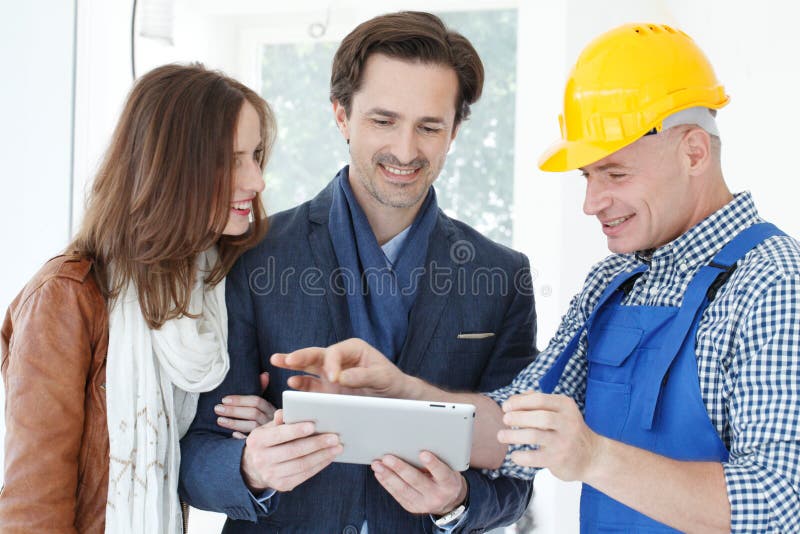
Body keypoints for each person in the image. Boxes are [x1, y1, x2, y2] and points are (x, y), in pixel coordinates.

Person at [274, 22, 800, 533]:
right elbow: (514, 428)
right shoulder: (613, 282)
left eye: (615, 173)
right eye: (587, 176)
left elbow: (779, 508)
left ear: (694, 152)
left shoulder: (772, 283)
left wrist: (594, 457)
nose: (592, 203)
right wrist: (403, 391)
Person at [179, 10, 536, 533]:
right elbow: (192, 456)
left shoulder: (502, 276)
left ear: (454, 131)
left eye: (429, 127)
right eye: (383, 121)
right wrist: (251, 467)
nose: (406, 151)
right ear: (342, 116)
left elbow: (518, 472)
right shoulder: (249, 255)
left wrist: (457, 500)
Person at [0, 63, 277, 533]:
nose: (257, 181)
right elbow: (33, 507)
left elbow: (189, 461)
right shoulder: (67, 297)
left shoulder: (206, 290)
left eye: (256, 156)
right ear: (172, 168)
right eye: (232, 160)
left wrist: (255, 431)